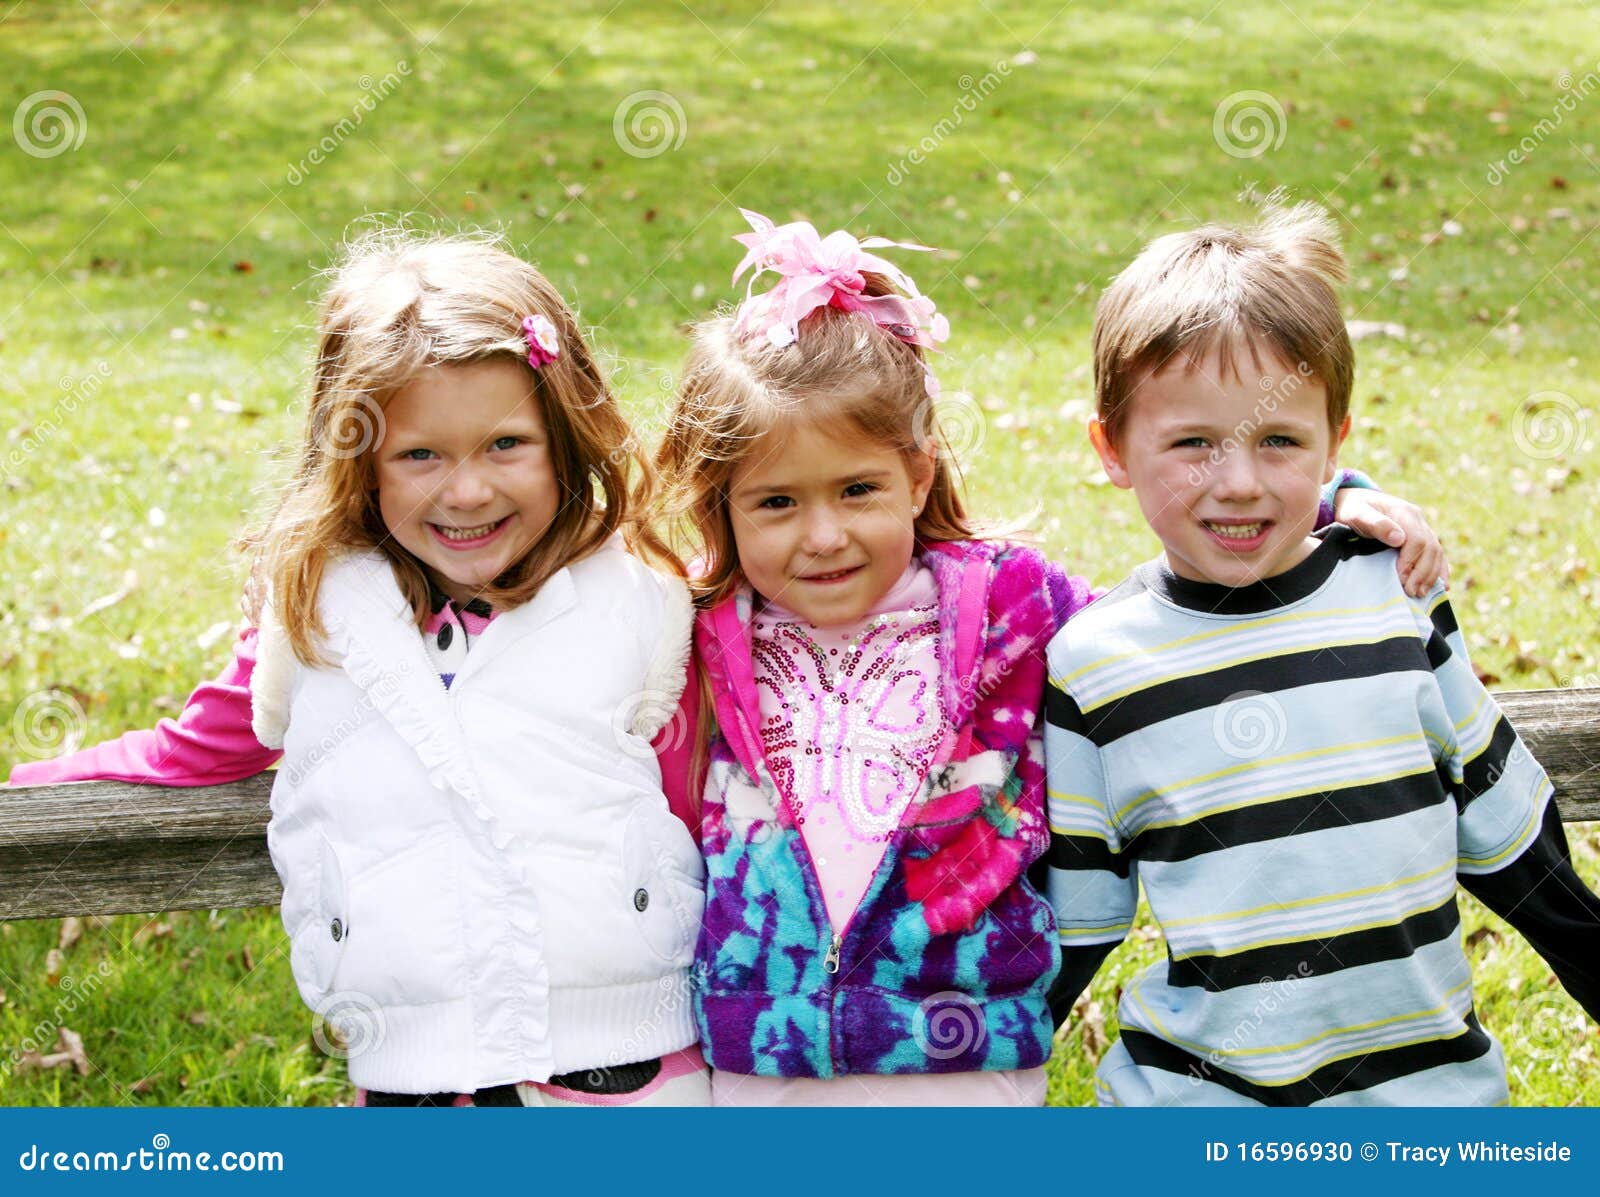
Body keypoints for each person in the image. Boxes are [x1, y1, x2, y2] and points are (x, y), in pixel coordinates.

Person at [651, 209, 1438, 1105]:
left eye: (858, 489)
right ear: (726, 505)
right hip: (762, 1056)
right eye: (777, 502)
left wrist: (1334, 509)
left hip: (966, 1052)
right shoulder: (696, 631)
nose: (823, 534)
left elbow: (1182, 611)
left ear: (917, 473)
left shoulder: (1011, 608)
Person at [10, 229, 710, 1107]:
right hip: (410, 1075)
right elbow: (193, 750)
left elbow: (699, 800)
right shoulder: (313, 616)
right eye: (420, 455)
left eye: (505, 445)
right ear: (360, 462)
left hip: (626, 1069)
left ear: (564, 439)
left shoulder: (639, 601)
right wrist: (29, 787)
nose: (467, 492)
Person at [1044, 198, 1600, 1106]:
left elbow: (1508, 835)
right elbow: (1077, 927)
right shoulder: (1095, 665)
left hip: (1434, 1108)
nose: (1240, 482)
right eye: (1192, 443)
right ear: (1111, 447)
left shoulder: (1392, 597)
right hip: (1197, 1108)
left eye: (1279, 441)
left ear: (1335, 439)